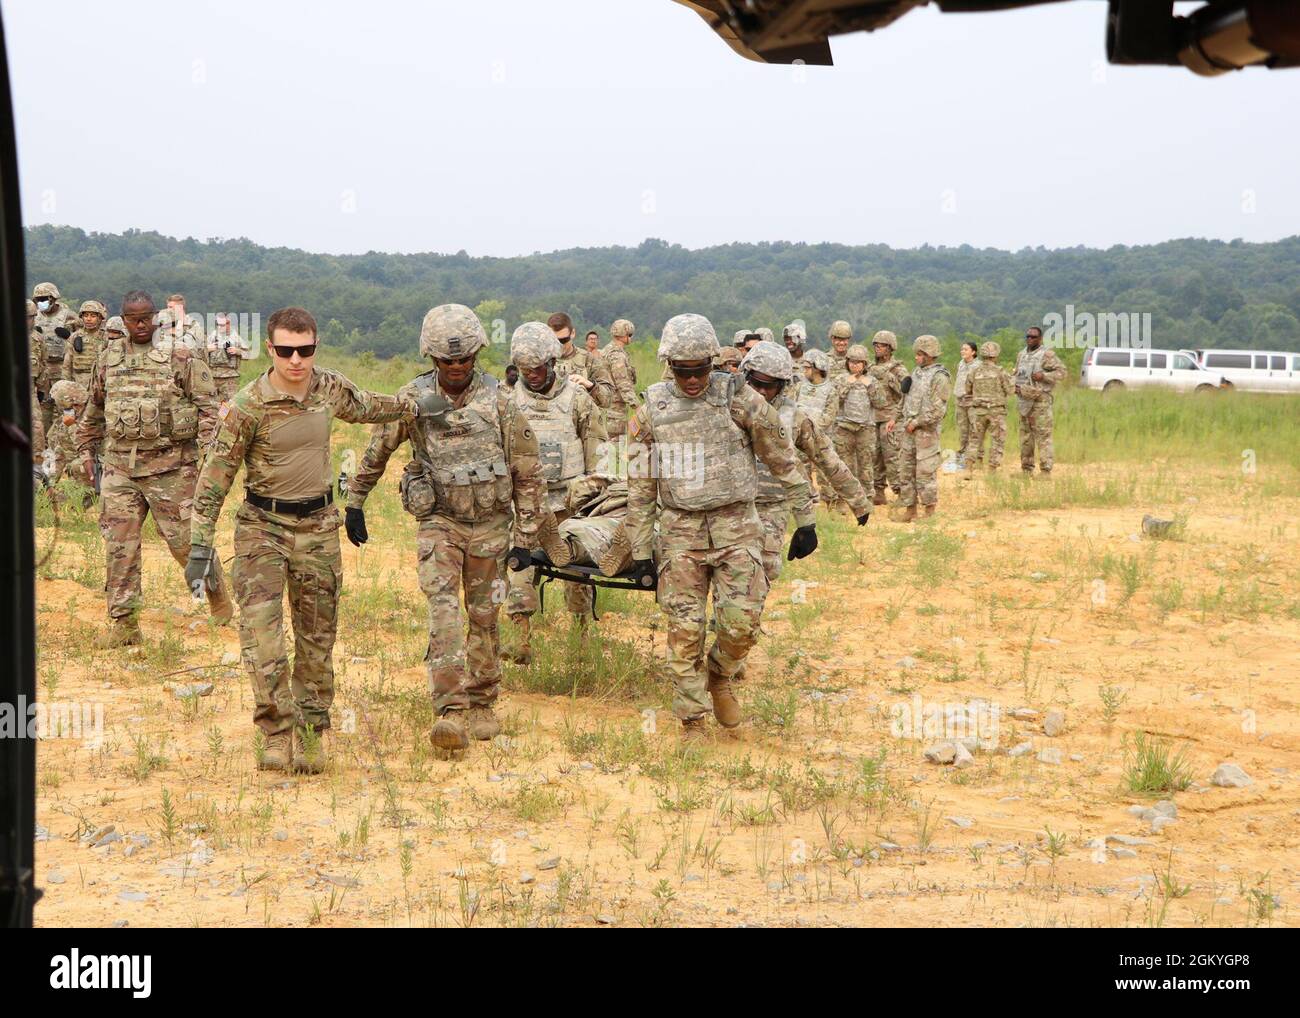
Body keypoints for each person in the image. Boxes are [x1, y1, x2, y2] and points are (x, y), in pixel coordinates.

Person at [189, 306, 430, 772]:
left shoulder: (328, 388)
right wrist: (201, 544)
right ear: (270, 350)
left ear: (315, 348)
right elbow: (215, 477)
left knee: (317, 635)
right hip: (263, 526)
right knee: (262, 637)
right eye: (285, 351)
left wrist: (421, 403)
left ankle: (311, 731)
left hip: (319, 526)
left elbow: (371, 406)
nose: (296, 360)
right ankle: (276, 732)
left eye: (305, 350)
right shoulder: (247, 406)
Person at [345, 304, 545, 753]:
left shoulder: (500, 401)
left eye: (464, 360)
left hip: (492, 525)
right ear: (431, 358)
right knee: (443, 613)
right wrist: (355, 500)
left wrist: (527, 540)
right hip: (440, 522)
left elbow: (528, 470)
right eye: (445, 361)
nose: (455, 368)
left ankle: (483, 700)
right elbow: (379, 448)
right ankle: (450, 711)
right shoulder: (414, 400)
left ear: (476, 354)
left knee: (484, 616)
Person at [625, 313, 816, 740]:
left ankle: (720, 674)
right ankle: (692, 720)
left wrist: (805, 519)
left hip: (736, 526)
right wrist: (640, 551)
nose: (692, 380)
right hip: (680, 532)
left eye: (700, 371)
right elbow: (639, 486)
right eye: (682, 371)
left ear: (713, 363)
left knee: (741, 623)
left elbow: (782, 457)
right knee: (685, 629)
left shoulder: (741, 400)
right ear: (668, 366)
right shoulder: (652, 410)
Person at [75, 290, 234, 646]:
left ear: (156, 318)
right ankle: (124, 625)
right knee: (120, 546)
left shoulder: (180, 357)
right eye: (134, 319)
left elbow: (209, 408)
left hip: (172, 468)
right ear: (123, 320)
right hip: (120, 467)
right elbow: (93, 410)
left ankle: (216, 594)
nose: (142, 324)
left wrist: (208, 455)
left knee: (184, 544)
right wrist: (86, 450)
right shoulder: (108, 359)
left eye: (147, 317)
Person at [502, 322, 608, 662]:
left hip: (569, 503)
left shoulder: (577, 399)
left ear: (552, 362)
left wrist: (590, 494)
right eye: (524, 369)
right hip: (525, 504)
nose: (532, 375)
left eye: (538, 368)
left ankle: (581, 639)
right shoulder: (507, 401)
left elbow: (598, 453)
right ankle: (521, 639)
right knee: (519, 567)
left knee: (577, 577)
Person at [741, 342, 869, 584]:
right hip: (732, 504)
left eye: (767, 386)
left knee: (764, 569)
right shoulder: (730, 410)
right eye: (754, 383)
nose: (759, 391)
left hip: (772, 505)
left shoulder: (793, 418)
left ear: (781, 385)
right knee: (731, 568)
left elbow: (826, 458)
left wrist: (858, 501)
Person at [888, 335, 952, 521]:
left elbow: (938, 410)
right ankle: (910, 510)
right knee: (906, 471)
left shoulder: (940, 377)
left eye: (920, 354)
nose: (916, 357)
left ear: (930, 354)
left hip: (927, 433)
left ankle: (929, 512)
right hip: (908, 432)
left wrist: (917, 423)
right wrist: (895, 417)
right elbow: (905, 398)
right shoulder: (916, 373)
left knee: (925, 472)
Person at [820, 344, 878, 509]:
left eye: (859, 362)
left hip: (865, 428)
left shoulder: (871, 380)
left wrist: (870, 386)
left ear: (865, 364)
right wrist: (848, 383)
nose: (855, 365)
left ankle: (867, 499)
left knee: (866, 465)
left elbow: (880, 402)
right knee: (844, 466)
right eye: (852, 362)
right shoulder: (840, 380)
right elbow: (835, 401)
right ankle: (843, 500)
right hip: (844, 427)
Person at [1014, 325, 1066, 475]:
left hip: (1040, 403)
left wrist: (1044, 376)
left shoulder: (1046, 355)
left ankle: (1045, 471)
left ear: (1040, 338)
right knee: (1025, 438)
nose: (1029, 339)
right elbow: (1018, 373)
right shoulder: (1021, 355)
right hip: (1024, 402)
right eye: (1028, 336)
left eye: (1033, 337)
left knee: (1043, 437)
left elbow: (1062, 373)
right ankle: (1026, 470)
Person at [32, 282, 80, 435]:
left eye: (44, 299)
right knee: (44, 406)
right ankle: (44, 442)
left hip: (62, 365)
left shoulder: (68, 315)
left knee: (65, 404)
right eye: (38, 300)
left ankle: (66, 439)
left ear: (53, 298)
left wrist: (69, 335)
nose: (41, 303)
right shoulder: (34, 317)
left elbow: (84, 335)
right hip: (43, 367)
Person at [867, 330, 908, 505]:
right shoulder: (868, 368)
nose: (878, 348)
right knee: (875, 457)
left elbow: (906, 394)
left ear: (890, 348)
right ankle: (878, 491)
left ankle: (901, 493)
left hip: (891, 419)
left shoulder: (898, 369)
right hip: (872, 419)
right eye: (876, 345)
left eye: (882, 345)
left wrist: (892, 380)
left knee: (892, 457)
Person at [965, 341, 1015, 471]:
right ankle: (992, 469)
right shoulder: (1000, 372)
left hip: (978, 411)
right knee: (997, 440)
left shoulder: (974, 371)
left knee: (974, 439)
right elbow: (1010, 390)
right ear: (996, 355)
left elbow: (967, 389)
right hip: (996, 412)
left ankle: (969, 468)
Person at [548, 311, 614, 409]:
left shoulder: (588, 360)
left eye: (563, 340)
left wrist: (590, 386)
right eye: (554, 340)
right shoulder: (540, 360)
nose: (559, 345)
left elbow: (608, 400)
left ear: (573, 333)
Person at [600, 318, 639, 439]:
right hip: (615, 408)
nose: (631, 337)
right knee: (617, 446)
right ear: (625, 335)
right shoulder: (617, 354)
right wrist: (637, 406)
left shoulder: (606, 350)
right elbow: (623, 383)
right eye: (630, 335)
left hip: (606, 405)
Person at [62, 301, 109, 388]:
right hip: (78, 382)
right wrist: (66, 385)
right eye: (86, 315)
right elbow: (67, 365)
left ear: (100, 318)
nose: (88, 319)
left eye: (93, 316)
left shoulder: (106, 337)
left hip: (100, 382)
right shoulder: (74, 337)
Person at [206, 311, 251, 401]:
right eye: (217, 324)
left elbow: (249, 355)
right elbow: (198, 353)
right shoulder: (211, 336)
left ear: (228, 323)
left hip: (230, 379)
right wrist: (207, 349)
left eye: (222, 324)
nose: (219, 327)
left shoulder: (236, 338)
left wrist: (238, 351)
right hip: (212, 377)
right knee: (212, 405)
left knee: (229, 406)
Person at [954, 340, 979, 468]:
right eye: (962, 349)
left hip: (972, 402)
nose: (962, 351)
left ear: (973, 352)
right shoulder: (961, 364)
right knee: (963, 431)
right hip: (960, 401)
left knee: (975, 430)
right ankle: (962, 458)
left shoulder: (978, 366)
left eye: (966, 349)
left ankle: (976, 458)